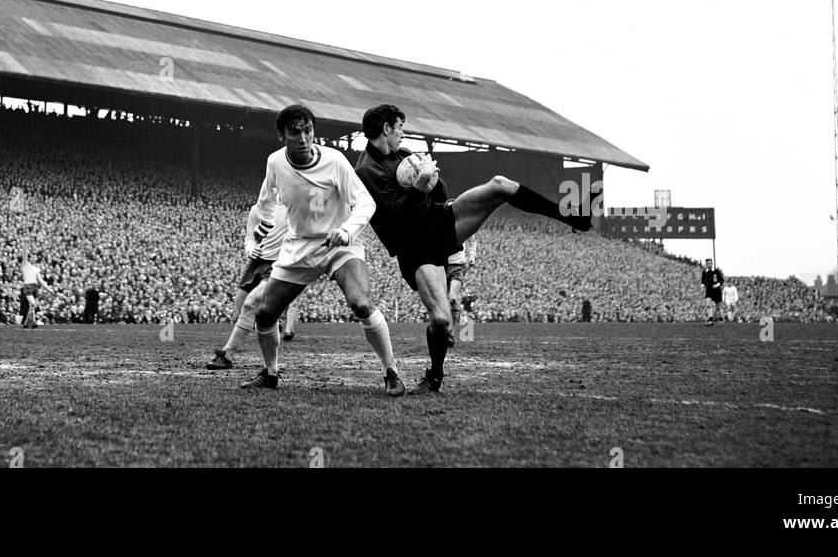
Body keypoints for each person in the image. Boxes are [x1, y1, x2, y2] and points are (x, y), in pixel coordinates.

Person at [354, 103, 593, 394]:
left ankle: (570, 215)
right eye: (400, 127)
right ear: (386, 129)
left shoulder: (404, 155)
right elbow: (396, 216)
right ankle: (435, 377)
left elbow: (441, 193)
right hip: (415, 245)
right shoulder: (367, 170)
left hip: (440, 222)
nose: (403, 133)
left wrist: (433, 179)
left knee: (500, 185)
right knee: (441, 320)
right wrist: (418, 186)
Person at [239, 104, 405, 396]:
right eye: (295, 132)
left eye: (308, 131)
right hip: (300, 246)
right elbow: (265, 202)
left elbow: (366, 203)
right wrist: (258, 235)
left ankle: (391, 371)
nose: (303, 138)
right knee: (265, 315)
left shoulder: (336, 161)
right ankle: (270, 373)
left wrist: (346, 231)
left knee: (361, 304)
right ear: (282, 135)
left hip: (340, 243)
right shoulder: (275, 163)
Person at [205, 200, 289, 369]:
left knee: (251, 303)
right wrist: (251, 250)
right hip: (257, 264)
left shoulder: (293, 205)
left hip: (278, 263)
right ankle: (272, 328)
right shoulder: (257, 210)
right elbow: (250, 238)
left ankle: (227, 355)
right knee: (237, 314)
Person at [20, 251, 43, 328]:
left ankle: (27, 322)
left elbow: (40, 280)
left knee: (32, 306)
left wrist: (48, 288)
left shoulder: (36, 269)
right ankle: (32, 321)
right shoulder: (26, 265)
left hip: (34, 286)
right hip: (28, 286)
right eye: (33, 257)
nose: (34, 258)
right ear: (29, 258)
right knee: (32, 304)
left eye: (35, 257)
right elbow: (24, 255)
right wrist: (25, 244)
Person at [701, 259, 724, 325]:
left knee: (718, 308)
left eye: (710, 263)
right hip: (709, 290)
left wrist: (717, 285)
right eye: (707, 264)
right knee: (708, 305)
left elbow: (721, 280)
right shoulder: (705, 272)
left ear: (712, 263)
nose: (709, 265)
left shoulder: (716, 271)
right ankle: (710, 320)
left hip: (717, 291)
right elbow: (703, 281)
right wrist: (702, 285)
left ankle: (721, 319)